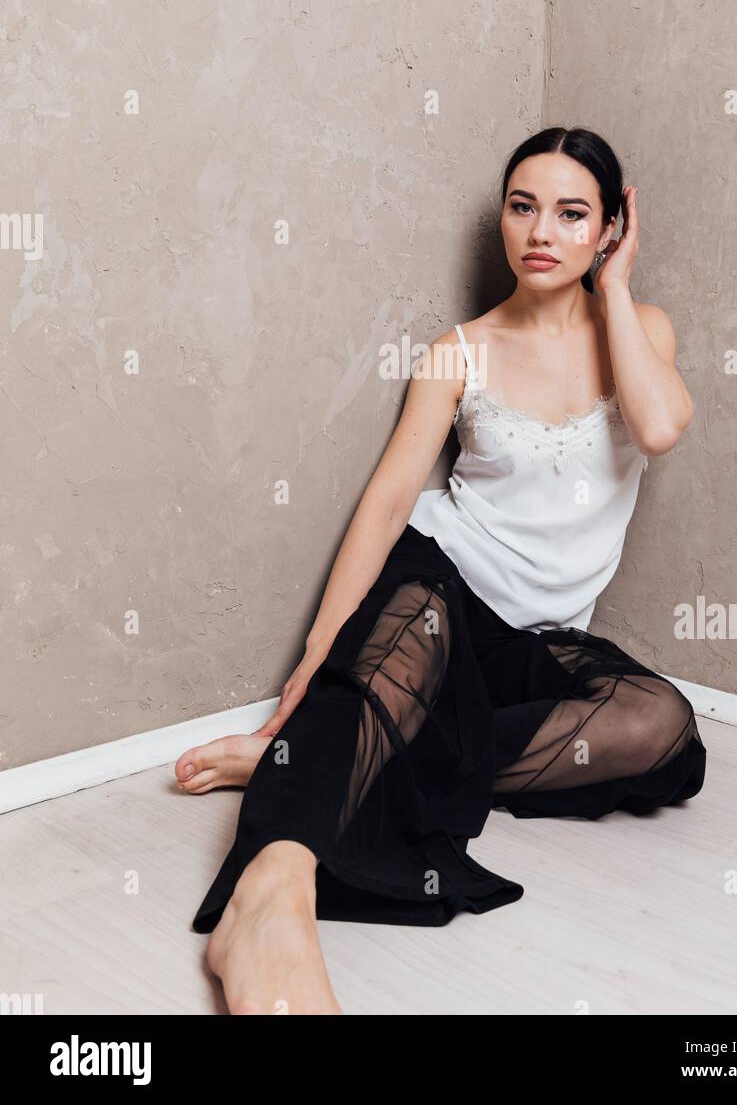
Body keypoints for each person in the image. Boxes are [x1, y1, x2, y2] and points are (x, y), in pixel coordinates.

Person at [175, 126, 707, 1015]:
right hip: (443, 592)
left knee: (661, 727)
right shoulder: (458, 352)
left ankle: (328, 753)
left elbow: (658, 428)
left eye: (573, 214)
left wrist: (615, 287)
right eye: (522, 206)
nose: (540, 230)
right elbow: (386, 506)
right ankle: (269, 900)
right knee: (411, 615)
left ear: (610, 230)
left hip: (533, 641)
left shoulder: (642, 330)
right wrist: (311, 668)